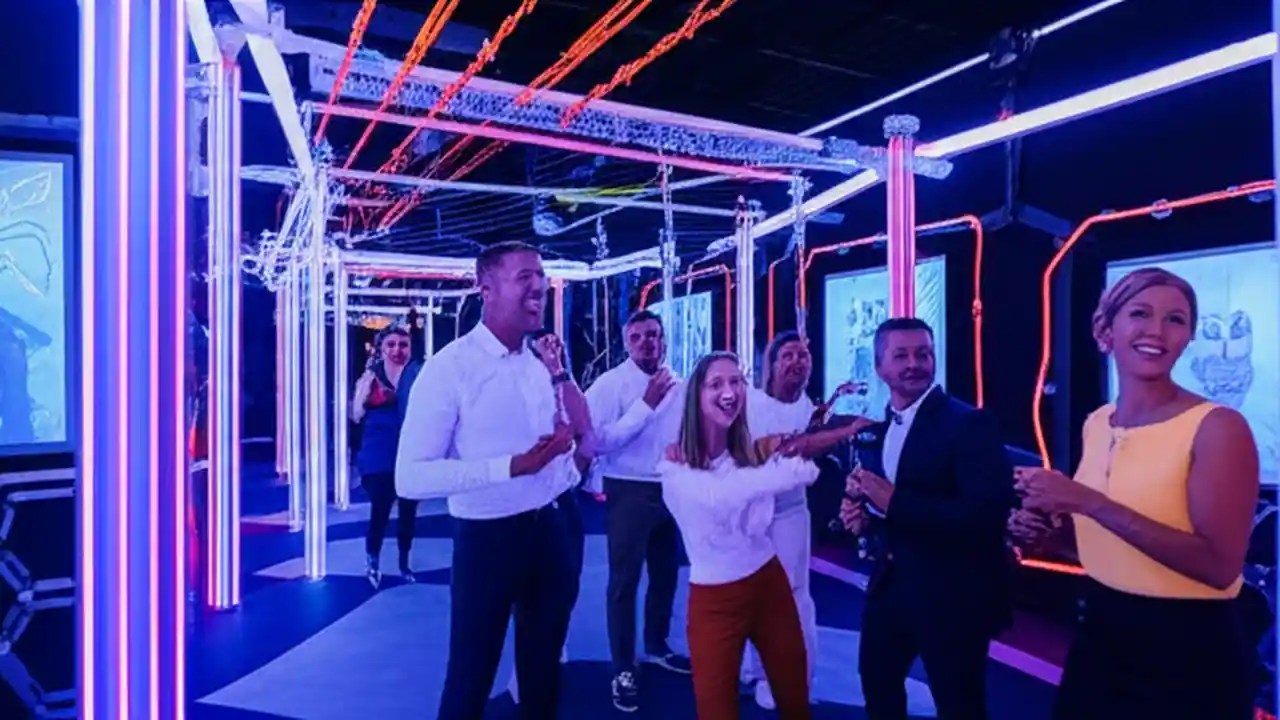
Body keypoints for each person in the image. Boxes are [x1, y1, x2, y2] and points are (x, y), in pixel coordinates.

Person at [1011, 267, 1259, 720]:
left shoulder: (1218, 427)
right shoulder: (1097, 422)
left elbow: (1219, 567)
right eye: (1140, 314)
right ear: (1106, 330)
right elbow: (1109, 544)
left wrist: (1087, 502)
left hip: (1188, 653)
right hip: (1099, 631)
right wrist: (1051, 536)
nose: (1157, 331)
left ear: (1188, 338)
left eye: (1176, 320)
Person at [396, 241, 589, 720]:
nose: (539, 285)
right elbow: (409, 477)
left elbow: (573, 438)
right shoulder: (449, 369)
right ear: (486, 288)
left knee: (543, 674)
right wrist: (507, 467)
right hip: (488, 541)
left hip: (555, 527)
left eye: (541, 275)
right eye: (524, 276)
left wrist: (563, 464)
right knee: (470, 678)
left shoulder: (536, 365)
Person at [838, 317, 1015, 720]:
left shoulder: (969, 423)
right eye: (901, 355)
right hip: (891, 586)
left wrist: (894, 503)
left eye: (923, 353)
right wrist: (866, 518)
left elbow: (985, 518)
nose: (914, 363)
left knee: (959, 705)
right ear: (880, 367)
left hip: (952, 593)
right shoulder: (880, 429)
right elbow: (891, 509)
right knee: (878, 683)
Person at [659, 351, 817, 720]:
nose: (729, 391)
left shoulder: (749, 452)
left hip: (767, 582)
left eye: (736, 382)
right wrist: (786, 474)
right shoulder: (674, 465)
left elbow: (756, 513)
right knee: (716, 710)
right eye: (716, 383)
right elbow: (720, 496)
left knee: (795, 698)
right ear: (696, 395)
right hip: (714, 600)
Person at [583, 309, 689, 712]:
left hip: (672, 487)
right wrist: (644, 406)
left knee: (666, 575)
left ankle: (657, 644)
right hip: (628, 489)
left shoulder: (677, 384)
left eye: (654, 335)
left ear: (663, 340)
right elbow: (596, 441)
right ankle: (622, 667)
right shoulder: (611, 384)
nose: (648, 342)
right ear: (627, 342)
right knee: (624, 582)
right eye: (639, 336)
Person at [351, 325, 421, 588]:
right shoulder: (371, 376)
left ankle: (404, 561)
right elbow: (356, 414)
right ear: (381, 348)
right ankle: (373, 558)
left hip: (409, 449)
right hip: (378, 450)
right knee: (380, 506)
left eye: (402, 345)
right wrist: (364, 394)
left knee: (408, 509)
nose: (397, 350)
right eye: (391, 345)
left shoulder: (418, 374)